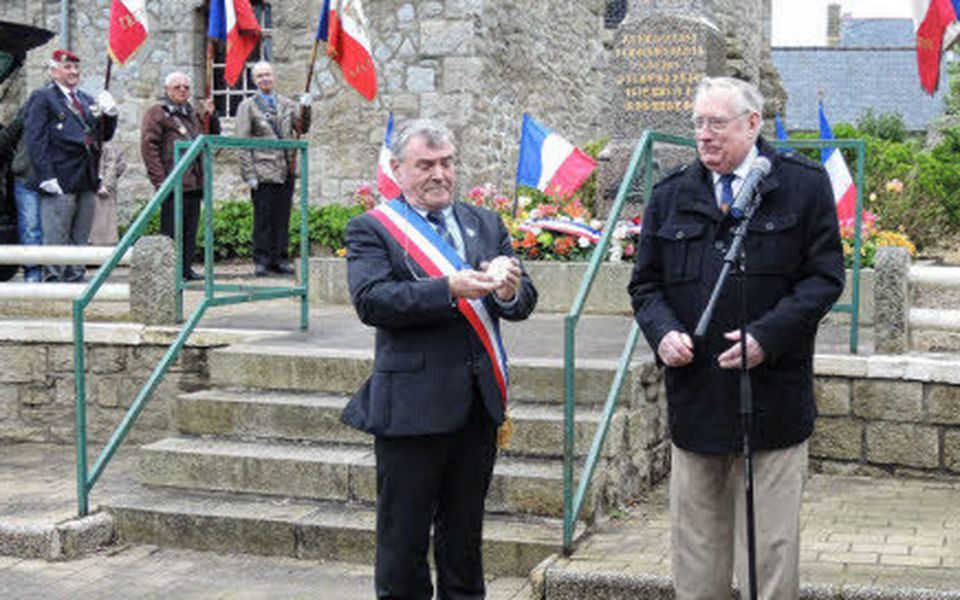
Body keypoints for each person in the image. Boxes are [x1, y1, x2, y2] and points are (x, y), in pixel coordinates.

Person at [628, 77, 844, 600]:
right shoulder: (671, 194)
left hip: (772, 397)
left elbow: (823, 279)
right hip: (696, 396)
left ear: (752, 124)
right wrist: (662, 333)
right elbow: (646, 284)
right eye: (698, 123)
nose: (704, 135)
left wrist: (768, 336)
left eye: (717, 123)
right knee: (697, 554)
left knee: (769, 556)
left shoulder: (801, 185)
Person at [341, 118, 538, 600]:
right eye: (425, 165)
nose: (440, 174)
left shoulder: (484, 223)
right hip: (411, 409)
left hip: (476, 407)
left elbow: (524, 300)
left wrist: (510, 290)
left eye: (447, 162)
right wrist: (447, 288)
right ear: (398, 169)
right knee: (403, 542)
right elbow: (373, 301)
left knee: (464, 541)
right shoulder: (373, 229)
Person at [25, 49, 118, 282]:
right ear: (54, 71)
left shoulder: (86, 100)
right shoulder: (44, 97)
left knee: (80, 232)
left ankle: (75, 276)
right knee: (56, 233)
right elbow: (35, 139)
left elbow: (102, 136)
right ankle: (54, 278)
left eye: (76, 67)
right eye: (68, 67)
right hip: (60, 175)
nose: (74, 72)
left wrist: (110, 114)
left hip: (85, 175)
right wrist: (45, 174)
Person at [234, 61, 312, 277]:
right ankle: (262, 260)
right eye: (260, 76)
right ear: (254, 81)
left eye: (267, 74)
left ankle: (280, 258)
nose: (265, 79)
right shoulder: (247, 106)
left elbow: (301, 127)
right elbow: (242, 142)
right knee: (263, 218)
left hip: (285, 169)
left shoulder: (286, 104)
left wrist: (306, 107)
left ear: (274, 77)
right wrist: (248, 174)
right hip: (262, 170)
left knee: (282, 217)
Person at [140, 71, 220, 280]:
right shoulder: (158, 113)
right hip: (172, 182)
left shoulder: (192, 113)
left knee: (189, 231)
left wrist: (212, 116)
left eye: (186, 87)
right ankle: (170, 271)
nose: (183, 90)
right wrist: (161, 181)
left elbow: (210, 139)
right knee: (171, 232)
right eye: (178, 87)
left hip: (194, 181)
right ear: (167, 90)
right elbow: (149, 148)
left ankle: (185, 268)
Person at [90, 138, 125, 245]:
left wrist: (107, 184)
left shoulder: (106, 144)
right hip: (92, 188)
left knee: (103, 232)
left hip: (102, 192)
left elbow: (115, 164)